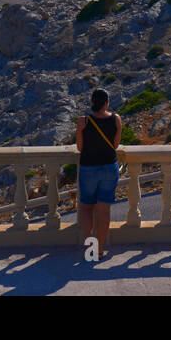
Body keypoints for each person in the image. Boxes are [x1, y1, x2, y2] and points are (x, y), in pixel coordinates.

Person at [75, 88, 122, 258]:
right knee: (103, 211)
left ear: (92, 102)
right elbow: (116, 145)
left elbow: (80, 148)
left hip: (88, 168)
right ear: (107, 103)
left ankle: (90, 250)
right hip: (109, 167)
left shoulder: (84, 121)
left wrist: (79, 131)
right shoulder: (116, 119)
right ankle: (100, 251)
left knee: (87, 208)